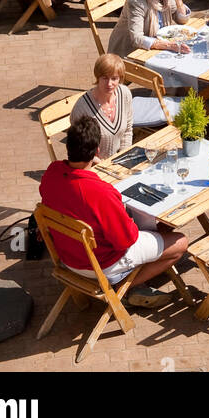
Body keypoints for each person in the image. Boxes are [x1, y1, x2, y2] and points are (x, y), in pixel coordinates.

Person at [39, 116, 188, 308]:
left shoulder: (51, 173)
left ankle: (132, 279)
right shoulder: (100, 192)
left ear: (69, 148)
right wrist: (135, 223)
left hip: (68, 258)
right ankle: (123, 287)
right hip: (101, 265)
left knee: (149, 225)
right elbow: (126, 240)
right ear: (97, 151)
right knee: (180, 241)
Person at [108, 0, 191, 59]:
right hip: (130, 53)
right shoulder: (136, 2)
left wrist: (178, 0)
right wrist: (170, 46)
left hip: (154, 47)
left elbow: (181, 20)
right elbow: (137, 39)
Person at [71, 54, 134, 159]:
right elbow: (77, 146)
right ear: (97, 77)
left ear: (120, 78)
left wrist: (124, 157)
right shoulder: (82, 108)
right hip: (92, 164)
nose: (109, 83)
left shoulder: (125, 94)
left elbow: (127, 130)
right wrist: (97, 163)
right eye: (104, 78)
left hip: (119, 160)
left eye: (114, 78)